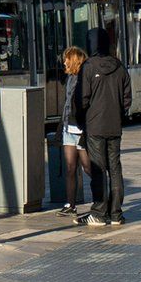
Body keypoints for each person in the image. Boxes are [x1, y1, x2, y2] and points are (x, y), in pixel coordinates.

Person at [75, 27, 132, 227]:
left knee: (98, 169)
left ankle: (99, 212)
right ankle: (116, 213)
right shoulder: (119, 66)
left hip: (95, 126)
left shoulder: (88, 67)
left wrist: (81, 120)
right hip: (114, 126)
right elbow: (127, 98)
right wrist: (119, 115)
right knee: (115, 168)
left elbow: (82, 99)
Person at [57, 46, 91, 217]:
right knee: (70, 167)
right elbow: (67, 103)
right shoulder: (70, 78)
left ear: (74, 61)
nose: (64, 62)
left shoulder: (84, 78)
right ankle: (71, 204)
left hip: (80, 128)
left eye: (67, 59)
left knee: (87, 167)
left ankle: (103, 198)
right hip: (68, 127)